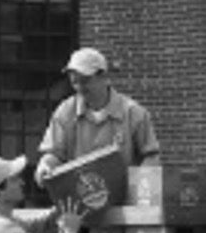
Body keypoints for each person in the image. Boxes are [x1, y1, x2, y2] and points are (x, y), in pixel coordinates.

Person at [34, 47, 161, 187]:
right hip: (81, 196)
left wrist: (142, 191)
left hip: (124, 197)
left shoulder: (134, 114)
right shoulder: (64, 113)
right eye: (75, 81)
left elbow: (151, 156)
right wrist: (45, 166)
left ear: (104, 77)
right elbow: (54, 154)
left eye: (85, 80)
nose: (80, 87)